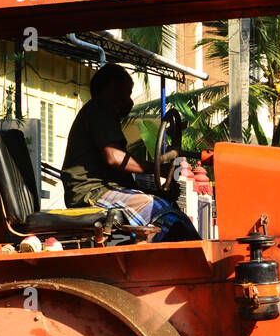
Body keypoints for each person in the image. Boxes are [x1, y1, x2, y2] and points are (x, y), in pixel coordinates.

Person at [60, 64, 197, 241]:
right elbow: (115, 158)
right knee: (157, 210)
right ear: (110, 88)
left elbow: (119, 176)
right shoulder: (99, 108)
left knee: (167, 208)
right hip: (90, 193)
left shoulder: (101, 115)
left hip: (105, 189)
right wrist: (159, 169)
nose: (130, 102)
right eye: (126, 93)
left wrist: (157, 191)